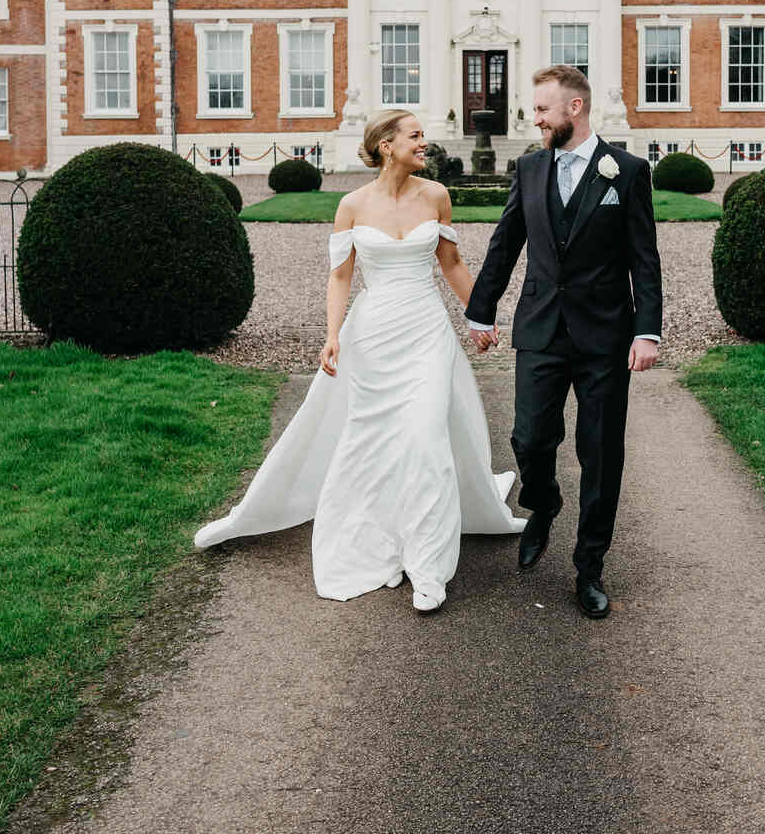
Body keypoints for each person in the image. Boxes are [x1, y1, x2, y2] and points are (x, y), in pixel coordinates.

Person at [193, 109, 524, 612]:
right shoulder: (351, 205)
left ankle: (429, 566)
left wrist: (480, 318)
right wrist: (332, 335)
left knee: (425, 436)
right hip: (371, 335)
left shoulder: (436, 196)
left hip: (426, 332)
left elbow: (452, 264)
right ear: (386, 145)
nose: (424, 143)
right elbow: (341, 277)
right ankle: (370, 535)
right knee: (370, 440)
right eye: (415, 136)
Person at [465, 65, 663, 620]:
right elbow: (505, 243)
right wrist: (481, 311)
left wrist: (647, 331)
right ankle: (544, 502)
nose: (536, 118)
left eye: (543, 109)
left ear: (573, 109)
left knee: (601, 455)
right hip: (541, 329)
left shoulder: (625, 171)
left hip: (605, 336)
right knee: (528, 438)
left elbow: (643, 257)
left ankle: (589, 566)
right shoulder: (529, 168)